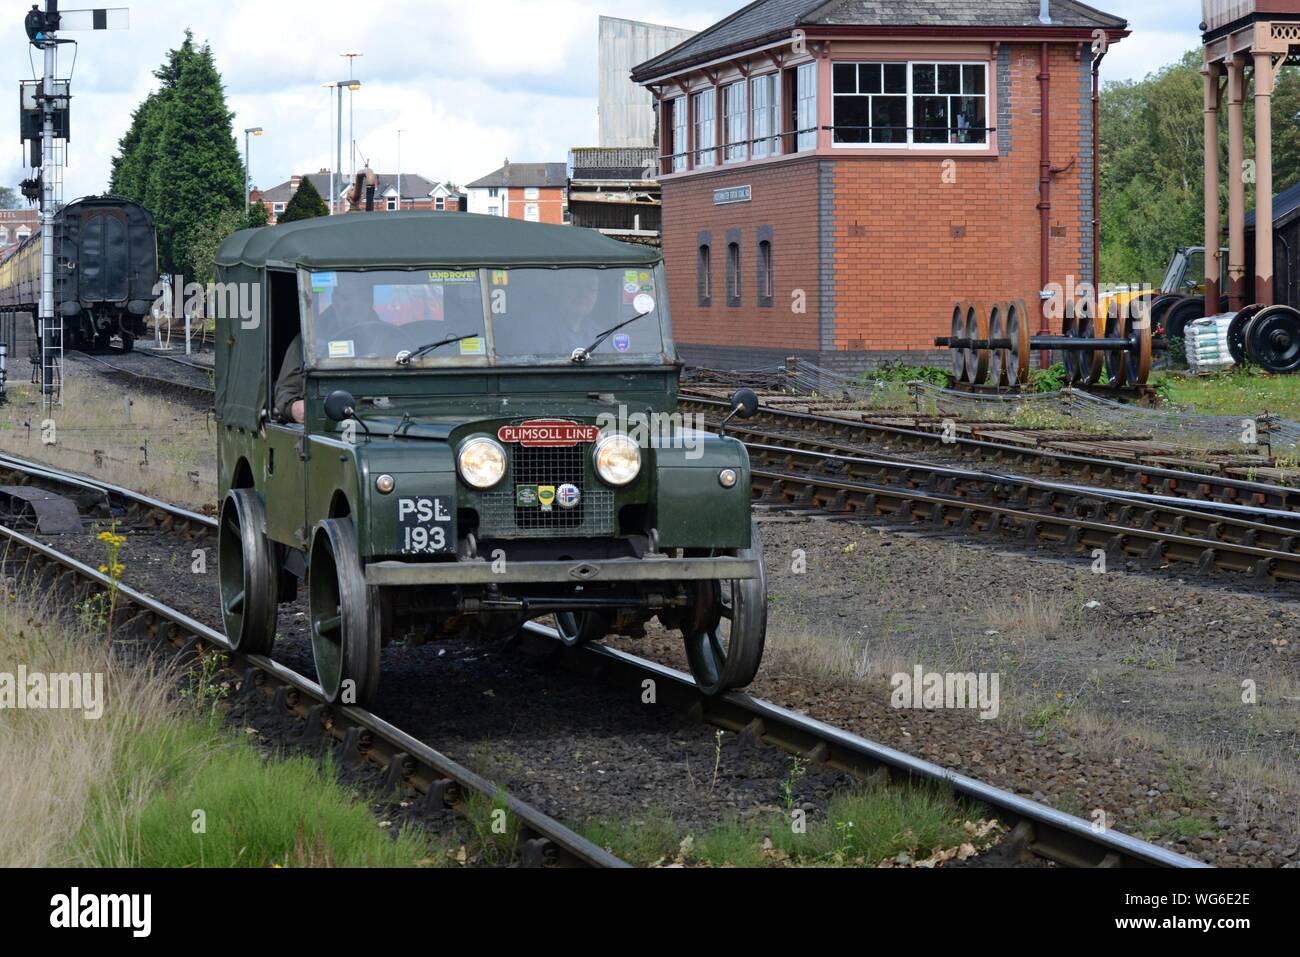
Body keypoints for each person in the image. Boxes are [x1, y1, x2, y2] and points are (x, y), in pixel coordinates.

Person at [273, 280, 383, 424]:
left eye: (361, 297)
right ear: (335, 300)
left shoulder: (386, 337)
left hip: (383, 418)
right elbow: (286, 390)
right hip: (327, 422)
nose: (353, 305)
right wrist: (293, 407)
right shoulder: (311, 339)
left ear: (370, 300)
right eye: (346, 298)